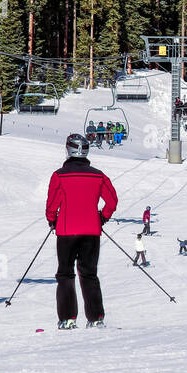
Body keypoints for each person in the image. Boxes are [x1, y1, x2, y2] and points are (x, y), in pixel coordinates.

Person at [46, 132, 119, 330]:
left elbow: (52, 203)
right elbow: (112, 200)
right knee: (88, 274)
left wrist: (52, 220)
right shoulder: (98, 175)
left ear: (68, 150)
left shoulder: (59, 175)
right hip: (91, 231)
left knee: (65, 274)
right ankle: (95, 318)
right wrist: (102, 217)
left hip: (66, 231)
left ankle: (68, 318)